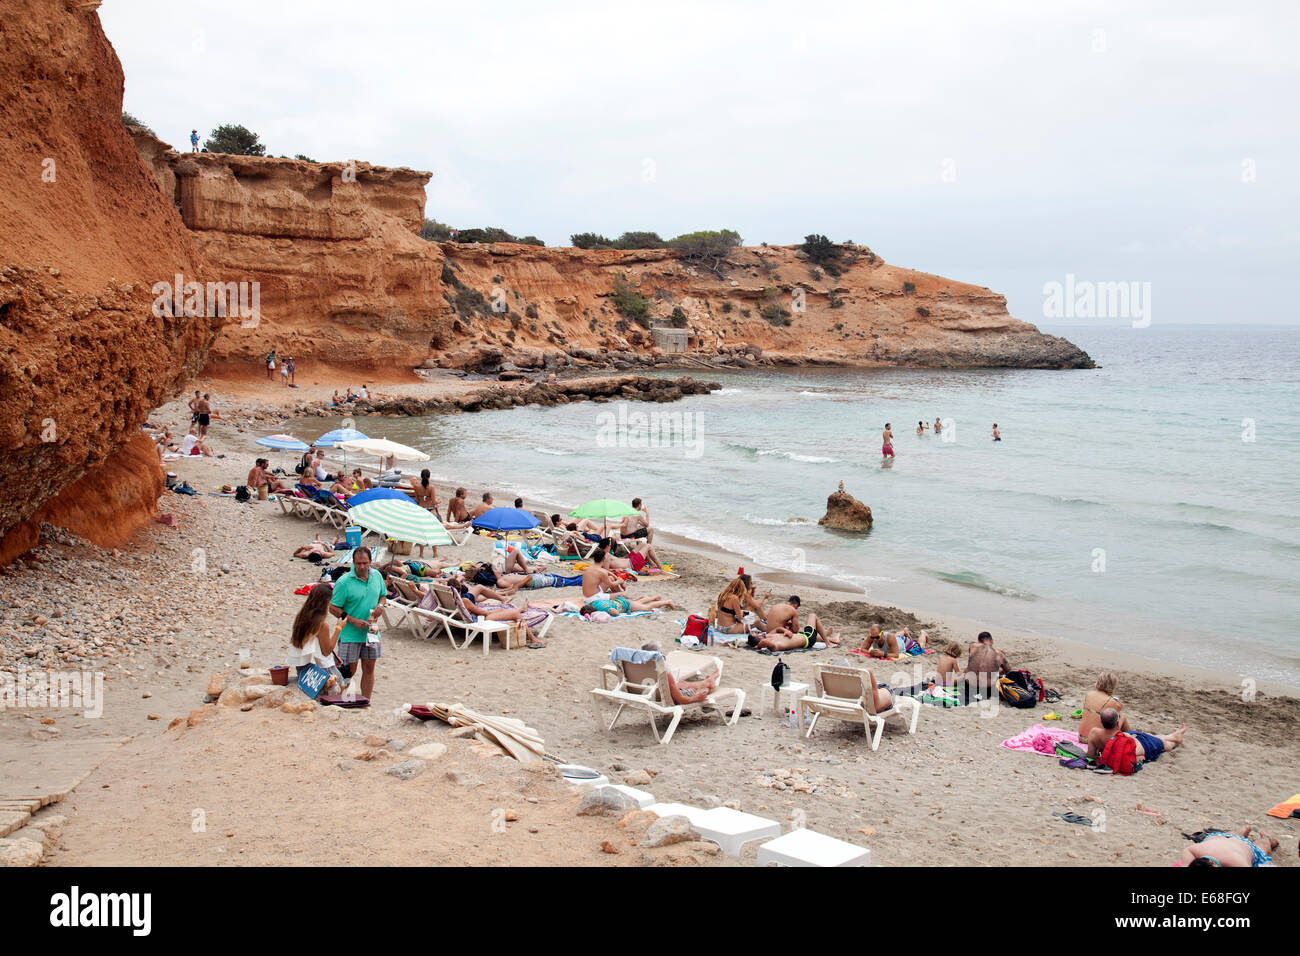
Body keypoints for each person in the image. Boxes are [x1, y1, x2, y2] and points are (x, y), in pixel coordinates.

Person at [328, 547, 387, 699]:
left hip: (371, 632)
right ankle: (340, 700)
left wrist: (380, 606)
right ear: (353, 562)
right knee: (348, 672)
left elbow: (383, 596)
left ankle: (366, 701)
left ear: (371, 562)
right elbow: (333, 608)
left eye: (364, 563)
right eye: (358, 563)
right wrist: (353, 621)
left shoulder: (377, 576)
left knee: (369, 669)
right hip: (349, 634)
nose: (361, 567)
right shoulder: (344, 582)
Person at [1084, 707, 1186, 769]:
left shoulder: (1094, 733)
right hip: (1141, 745)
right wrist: (1139, 758)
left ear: (1101, 722)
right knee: (1160, 743)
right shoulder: (1124, 738)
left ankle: (1171, 736)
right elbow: (1140, 752)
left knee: (1148, 736)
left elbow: (1091, 755)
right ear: (1117, 723)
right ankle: (1175, 740)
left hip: (1133, 738)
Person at [285, 583, 342, 690]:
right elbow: (327, 651)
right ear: (327, 602)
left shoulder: (301, 617)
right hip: (321, 670)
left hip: (303, 668)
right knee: (343, 685)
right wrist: (339, 628)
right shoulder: (321, 625)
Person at [1180, 826, 1278, 868]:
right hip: (1218, 837)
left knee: (1263, 847)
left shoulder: (1237, 863)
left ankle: (1267, 837)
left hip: (1246, 847)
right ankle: (1243, 830)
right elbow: (1188, 851)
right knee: (1232, 836)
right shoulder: (1194, 851)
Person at [764, 595, 837, 647]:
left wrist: (787, 623)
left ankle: (826, 635)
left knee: (801, 632)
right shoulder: (793, 610)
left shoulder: (776, 606)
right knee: (803, 632)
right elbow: (796, 630)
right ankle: (828, 639)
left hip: (769, 632)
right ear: (795, 605)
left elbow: (774, 621)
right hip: (779, 633)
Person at [1078, 672, 1131, 740]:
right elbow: (1114, 723)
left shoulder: (1089, 694)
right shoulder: (1111, 701)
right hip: (1094, 739)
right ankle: (1131, 737)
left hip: (1081, 736)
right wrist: (1119, 706)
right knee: (1122, 716)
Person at [963, 631, 1007, 698]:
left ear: (979, 641)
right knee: (1001, 672)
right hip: (986, 690)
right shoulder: (999, 654)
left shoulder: (973, 646)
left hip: (968, 686)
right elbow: (1008, 671)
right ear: (992, 641)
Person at [581, 593, 677, 615]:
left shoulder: (602, 609)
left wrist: (607, 613)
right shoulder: (593, 603)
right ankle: (654, 598)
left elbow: (615, 613)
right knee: (638, 602)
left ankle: (667, 602)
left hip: (626, 605)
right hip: (620, 600)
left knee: (647, 608)